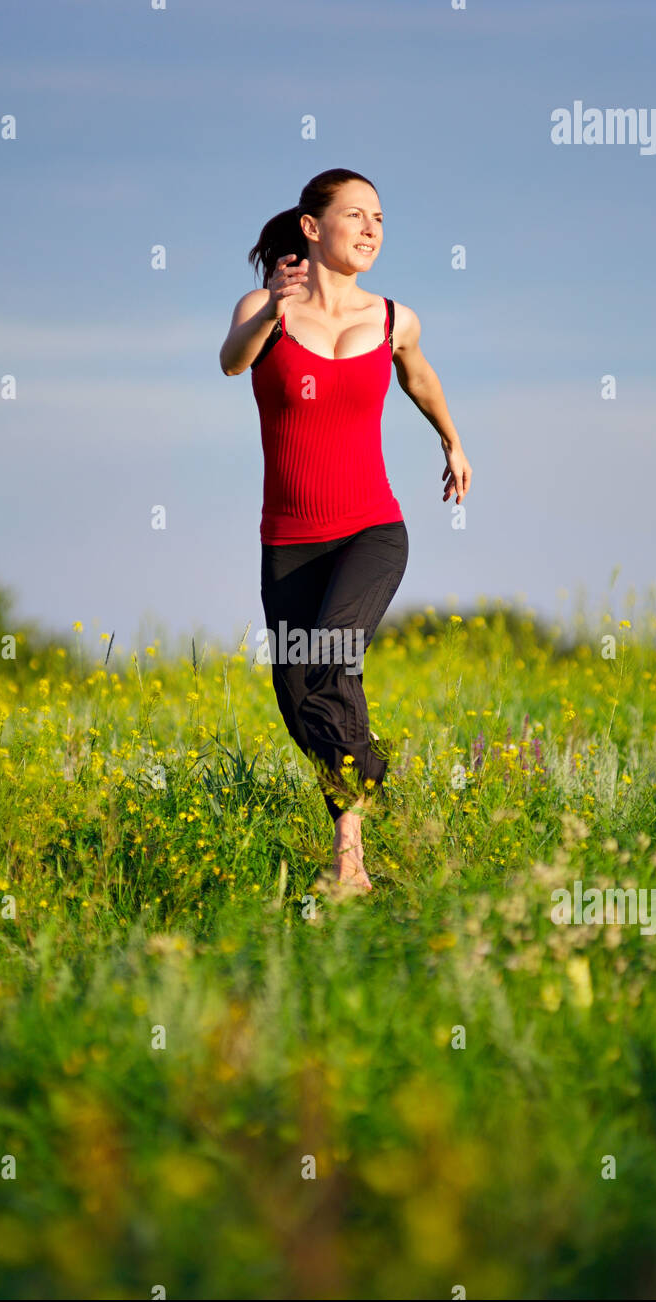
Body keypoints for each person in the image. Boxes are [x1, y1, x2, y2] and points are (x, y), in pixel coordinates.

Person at [219, 168, 471, 892]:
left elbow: (419, 378)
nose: (370, 230)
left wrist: (451, 441)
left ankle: (349, 863)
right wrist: (272, 309)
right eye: (355, 215)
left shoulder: (392, 319)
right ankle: (365, 779)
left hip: (371, 530)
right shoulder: (264, 308)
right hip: (289, 542)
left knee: (333, 663)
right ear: (311, 225)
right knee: (301, 698)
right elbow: (231, 362)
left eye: (380, 219)